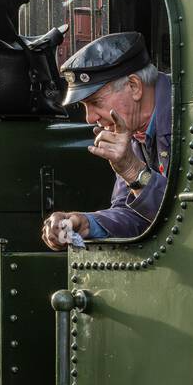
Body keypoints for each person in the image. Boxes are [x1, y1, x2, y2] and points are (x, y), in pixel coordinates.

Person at [42, 31, 171, 248]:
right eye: (84, 107)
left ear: (134, 87)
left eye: (96, 103)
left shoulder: (192, 119)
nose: (90, 118)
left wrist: (133, 171)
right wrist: (85, 223)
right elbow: (133, 214)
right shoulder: (131, 130)